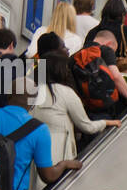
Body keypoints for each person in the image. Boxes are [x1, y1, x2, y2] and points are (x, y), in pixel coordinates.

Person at [29, 34, 121, 165]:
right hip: (60, 155)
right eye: (63, 47)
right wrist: (107, 122)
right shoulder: (65, 90)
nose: (67, 50)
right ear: (54, 53)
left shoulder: (30, 88)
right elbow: (86, 125)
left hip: (34, 153)